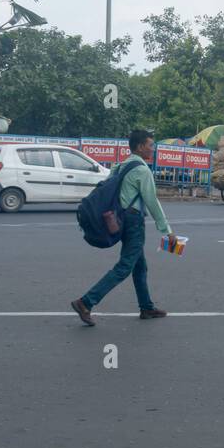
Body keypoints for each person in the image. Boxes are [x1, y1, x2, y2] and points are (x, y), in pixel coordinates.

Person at [71, 129, 174, 326]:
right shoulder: (142, 170)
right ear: (141, 146)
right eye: (150, 145)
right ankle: (86, 302)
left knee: (139, 265)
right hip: (134, 222)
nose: (153, 149)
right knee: (125, 266)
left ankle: (146, 307)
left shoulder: (120, 165)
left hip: (121, 219)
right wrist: (167, 231)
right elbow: (152, 202)